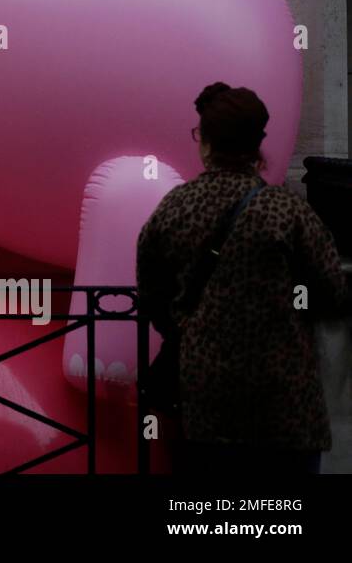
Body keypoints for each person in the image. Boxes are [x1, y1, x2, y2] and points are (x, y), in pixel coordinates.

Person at [136, 82, 349, 475]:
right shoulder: (288, 212)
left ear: (206, 142)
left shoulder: (174, 210)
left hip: (203, 401)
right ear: (258, 144)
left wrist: (190, 325)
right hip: (284, 404)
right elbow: (332, 293)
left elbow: (150, 295)